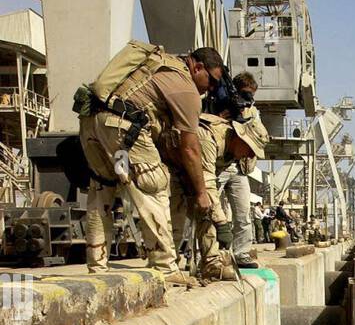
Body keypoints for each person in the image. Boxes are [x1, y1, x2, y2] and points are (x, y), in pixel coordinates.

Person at [77, 42, 225, 284]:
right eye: (212, 82)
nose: (210, 90)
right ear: (197, 67)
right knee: (155, 185)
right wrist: (201, 193)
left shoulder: (157, 64)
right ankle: (166, 268)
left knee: (102, 189)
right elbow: (190, 148)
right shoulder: (186, 88)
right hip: (125, 127)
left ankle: (97, 268)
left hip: (92, 121)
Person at [163, 112, 265, 282]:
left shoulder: (230, 152)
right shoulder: (208, 139)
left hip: (193, 172)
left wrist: (217, 219)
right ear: (241, 139)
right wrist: (223, 224)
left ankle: (211, 265)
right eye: (250, 150)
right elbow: (206, 185)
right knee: (176, 220)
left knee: (207, 212)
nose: (250, 156)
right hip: (174, 168)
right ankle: (168, 269)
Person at [210, 71, 268, 270]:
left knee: (243, 214)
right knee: (208, 211)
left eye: (251, 94)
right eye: (245, 93)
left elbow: (259, 133)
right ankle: (204, 253)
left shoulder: (252, 110)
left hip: (239, 167)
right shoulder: (219, 102)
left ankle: (241, 253)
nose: (248, 98)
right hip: (218, 164)